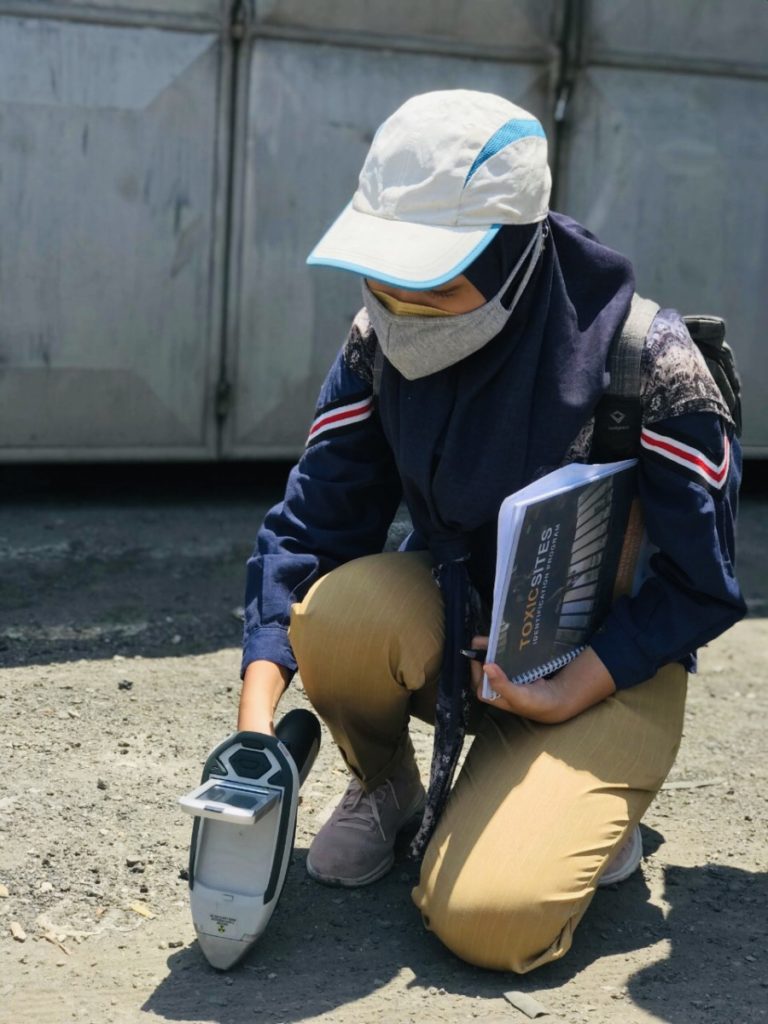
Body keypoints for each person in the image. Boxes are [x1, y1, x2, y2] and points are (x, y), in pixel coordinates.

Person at [237, 90, 745, 973]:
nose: (400, 300)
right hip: (460, 624)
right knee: (339, 617)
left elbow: (703, 585)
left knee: (487, 921)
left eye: (431, 276)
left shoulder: (647, 362)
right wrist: (253, 739)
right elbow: (313, 523)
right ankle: (389, 786)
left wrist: (573, 685)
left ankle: (579, 799)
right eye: (384, 272)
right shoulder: (381, 337)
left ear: (515, 250)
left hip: (606, 667)